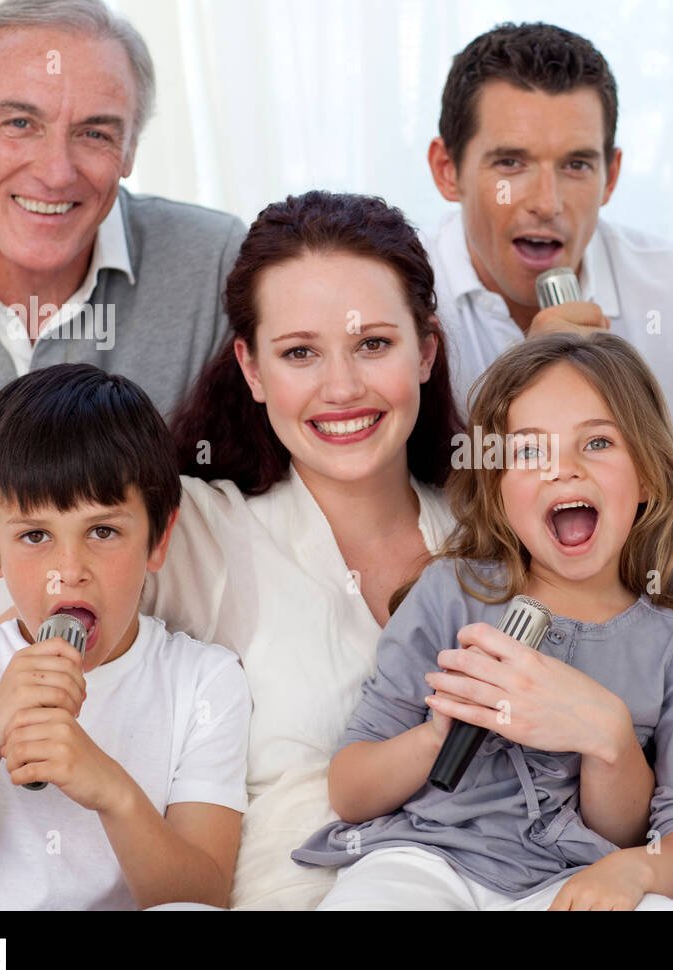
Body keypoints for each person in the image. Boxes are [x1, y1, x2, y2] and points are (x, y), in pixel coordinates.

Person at [293, 332, 673, 910]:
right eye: (529, 453)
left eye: (597, 442)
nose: (564, 471)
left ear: (648, 476)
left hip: (566, 880)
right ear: (498, 491)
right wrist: (435, 736)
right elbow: (350, 790)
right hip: (424, 860)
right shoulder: (453, 593)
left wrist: (611, 743)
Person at [141, 191, 463, 909]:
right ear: (252, 370)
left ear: (425, 350)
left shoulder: (495, 534)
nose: (341, 388)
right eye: (299, 354)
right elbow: (41, 582)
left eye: (373, 344)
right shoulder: (201, 530)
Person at [0, 364, 251, 910]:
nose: (68, 570)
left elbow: (200, 899)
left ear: (158, 539)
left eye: (103, 531)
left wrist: (111, 791)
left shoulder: (204, 682)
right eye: (35, 536)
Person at [0, 0, 246, 489]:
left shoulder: (216, 263)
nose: (56, 173)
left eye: (95, 133)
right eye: (20, 123)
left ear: (130, 150)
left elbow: (250, 512)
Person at [424, 22, 673, 439]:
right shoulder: (398, 305)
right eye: (511, 163)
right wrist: (528, 379)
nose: (547, 203)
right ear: (447, 170)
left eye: (576, 165)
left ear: (611, 176)